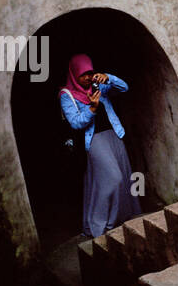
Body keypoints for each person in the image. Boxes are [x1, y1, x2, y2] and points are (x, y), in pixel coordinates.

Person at [59, 53, 139, 238]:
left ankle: (118, 219)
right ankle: (100, 225)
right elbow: (76, 123)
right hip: (94, 140)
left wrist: (108, 77)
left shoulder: (99, 85)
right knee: (113, 178)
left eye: (90, 73)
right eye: (83, 74)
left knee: (121, 178)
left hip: (114, 134)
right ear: (74, 74)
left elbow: (124, 88)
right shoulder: (66, 95)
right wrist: (92, 109)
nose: (88, 77)